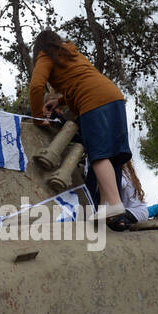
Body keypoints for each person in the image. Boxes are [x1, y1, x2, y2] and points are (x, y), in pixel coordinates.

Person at [29, 30, 130, 216]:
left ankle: (115, 203)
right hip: (114, 97)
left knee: (98, 154)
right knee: (113, 154)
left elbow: (36, 86)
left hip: (92, 102)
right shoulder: (71, 52)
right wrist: (59, 102)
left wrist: (38, 116)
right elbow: (81, 79)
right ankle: (105, 206)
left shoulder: (45, 55)